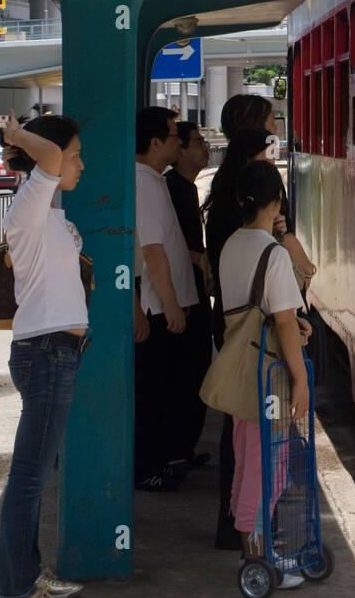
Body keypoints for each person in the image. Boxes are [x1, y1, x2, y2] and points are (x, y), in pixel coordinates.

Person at [0, 113, 88, 598]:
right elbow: (49, 158)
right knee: (29, 477)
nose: (78, 162)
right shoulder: (32, 199)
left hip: (55, 351)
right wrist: (14, 136)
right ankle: (14, 596)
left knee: (34, 474)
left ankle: (28, 575)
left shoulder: (46, 211)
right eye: (74, 153)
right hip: (46, 352)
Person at [204, 124, 312, 548]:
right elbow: (284, 321)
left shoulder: (233, 244)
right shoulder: (273, 254)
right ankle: (257, 543)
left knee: (246, 453)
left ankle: (243, 525)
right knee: (272, 460)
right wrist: (300, 379)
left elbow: (255, 310)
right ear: (276, 202)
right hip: (269, 372)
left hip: (239, 363)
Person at [133, 107, 199, 491]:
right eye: (174, 136)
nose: (178, 141)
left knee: (162, 389)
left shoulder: (153, 179)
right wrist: (172, 304)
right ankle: (147, 467)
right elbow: (153, 251)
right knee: (152, 392)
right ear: (155, 143)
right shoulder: (143, 182)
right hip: (157, 309)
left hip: (162, 305)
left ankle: (158, 460)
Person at [165, 122, 212, 469]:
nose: (206, 146)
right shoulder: (173, 188)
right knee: (185, 376)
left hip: (191, 292)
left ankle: (183, 450)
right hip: (184, 297)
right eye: (197, 141)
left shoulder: (184, 187)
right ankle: (176, 451)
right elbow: (175, 247)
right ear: (178, 150)